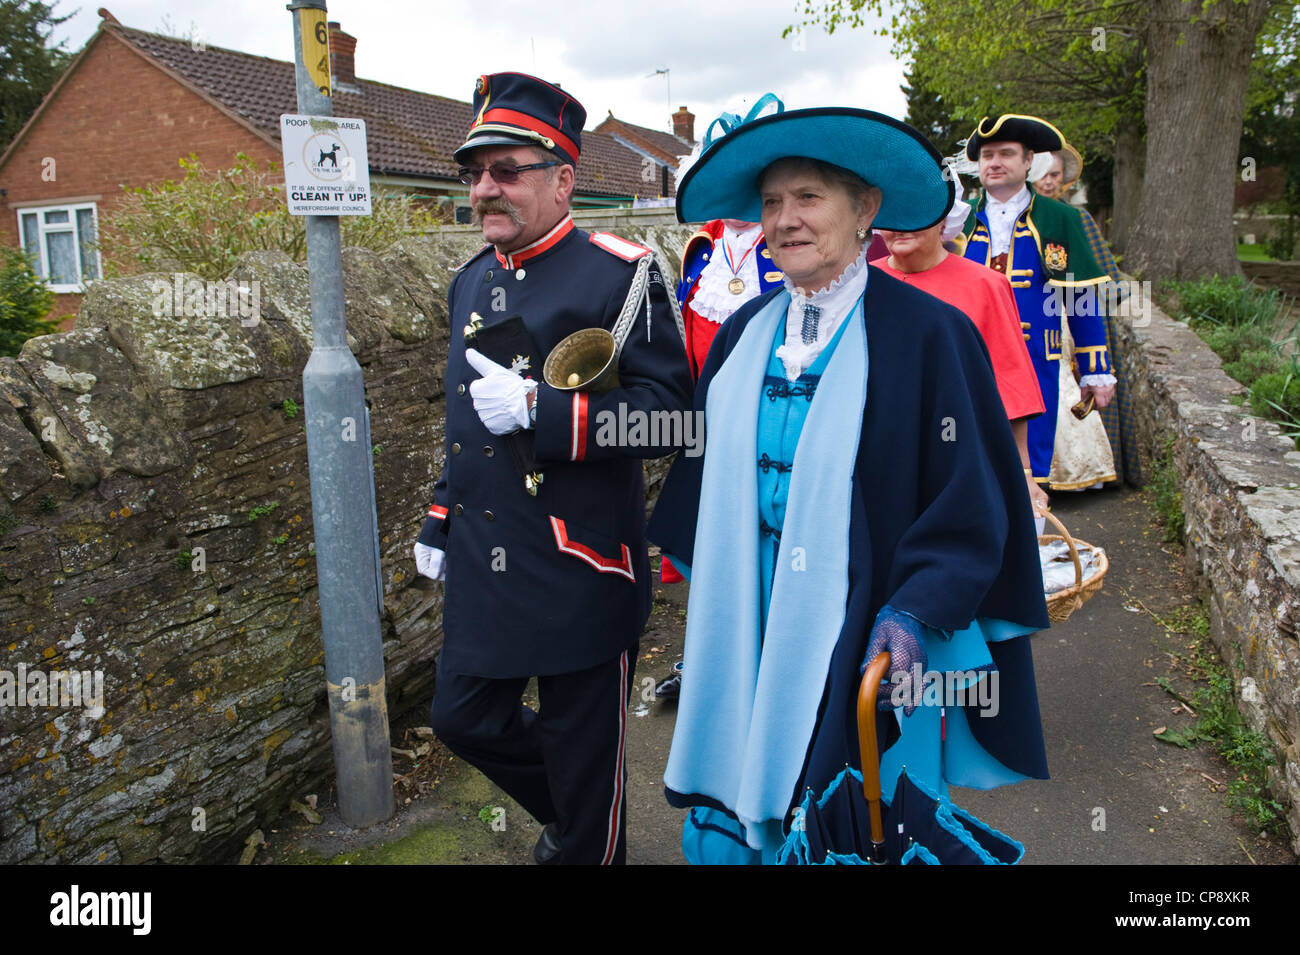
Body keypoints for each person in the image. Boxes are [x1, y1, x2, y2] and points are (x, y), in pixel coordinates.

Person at [647, 106, 1051, 864]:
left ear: (864, 209)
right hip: (751, 617)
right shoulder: (741, 335)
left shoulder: (931, 335)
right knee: (747, 798)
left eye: (808, 197)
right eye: (771, 202)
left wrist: (910, 611)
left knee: (859, 820)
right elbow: (698, 482)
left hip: (866, 627)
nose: (785, 220)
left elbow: (971, 497)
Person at [412, 72, 693, 865]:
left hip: (580, 563)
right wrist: (441, 513)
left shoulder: (621, 273)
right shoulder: (471, 279)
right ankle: (581, 814)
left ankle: (584, 835)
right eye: (475, 174)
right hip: (486, 562)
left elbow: (672, 417)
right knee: (462, 717)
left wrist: (547, 409)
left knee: (582, 765)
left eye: (507, 170)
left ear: (563, 178)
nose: (485, 189)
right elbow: (464, 426)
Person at [960, 115, 1117, 492]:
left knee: (1032, 460)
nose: (994, 162)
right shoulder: (959, 222)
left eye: (1006, 154)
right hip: (967, 358)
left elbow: (1081, 296)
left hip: (1034, 361)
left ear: (1030, 161)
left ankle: (1031, 540)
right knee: (967, 455)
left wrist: (1096, 369)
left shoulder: (1060, 219)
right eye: (987, 156)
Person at [872, 195, 1049, 515]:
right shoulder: (860, 283)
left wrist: (1024, 474)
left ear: (944, 219)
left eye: (916, 211)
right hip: (877, 457)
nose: (900, 225)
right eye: (891, 214)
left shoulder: (986, 285)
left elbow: (1010, 384)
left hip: (957, 455)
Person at [1034, 143, 1141, 487]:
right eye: (1042, 174)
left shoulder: (1075, 218)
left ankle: (1076, 472)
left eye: (1055, 175)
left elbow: (1101, 278)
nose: (1048, 183)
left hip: (1073, 314)